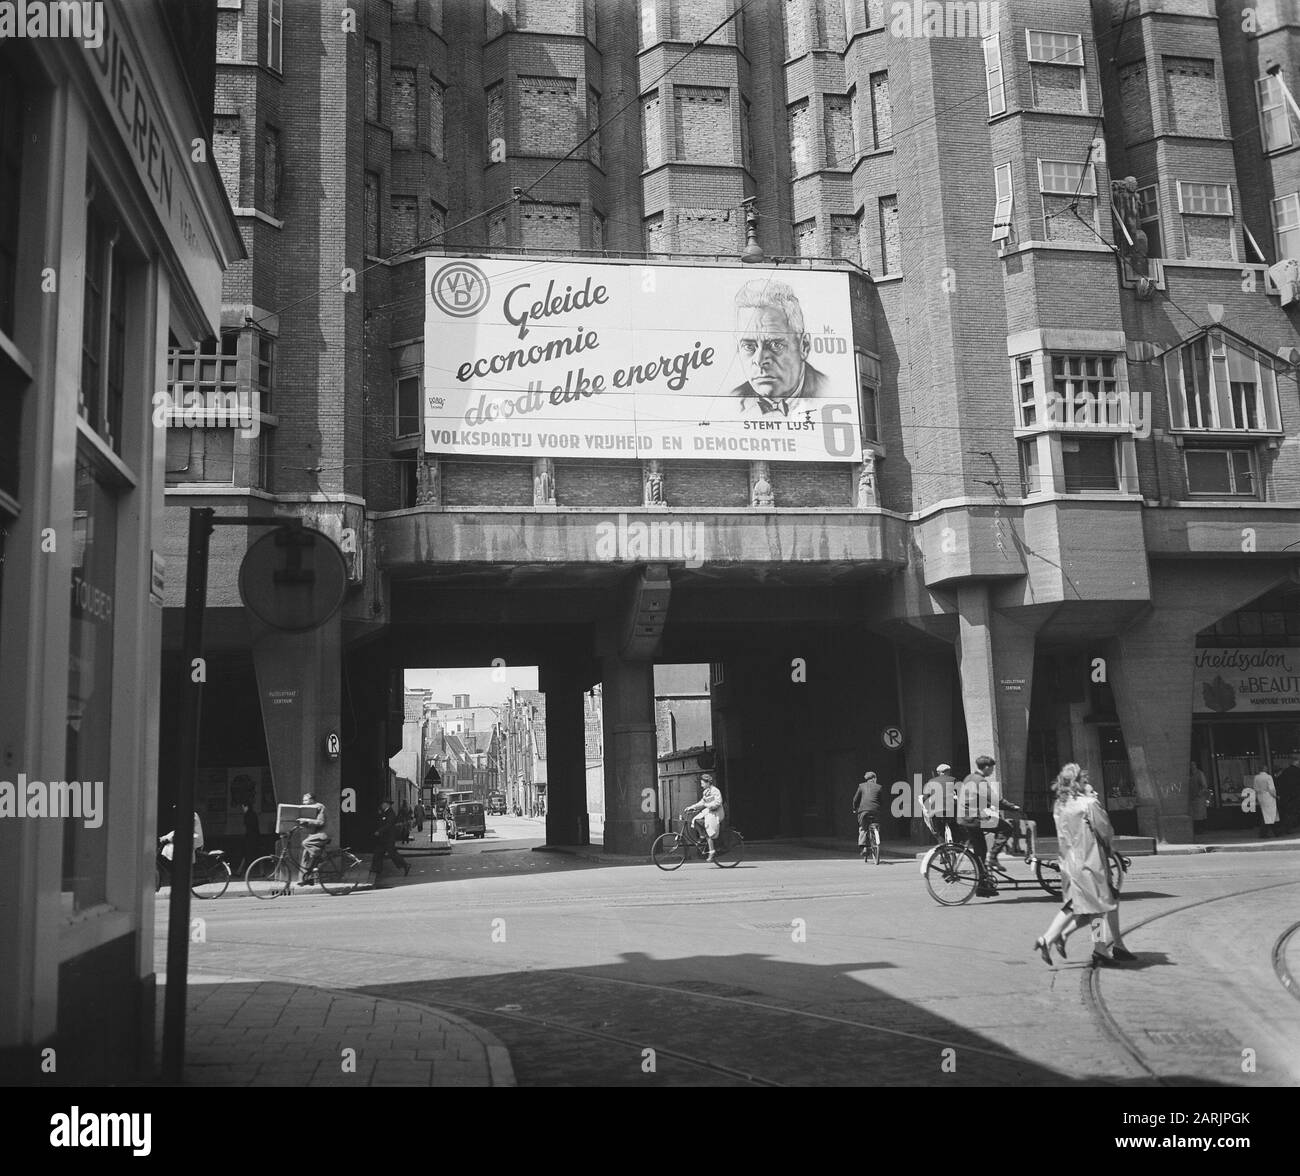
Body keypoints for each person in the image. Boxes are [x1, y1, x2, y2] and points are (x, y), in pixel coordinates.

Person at [1033, 765, 1133, 967]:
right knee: (1086, 907)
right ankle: (1050, 938)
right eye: (1085, 781)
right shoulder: (1088, 804)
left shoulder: (1060, 806)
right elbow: (1105, 830)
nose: (1087, 784)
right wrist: (1111, 850)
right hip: (1090, 861)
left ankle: (1100, 948)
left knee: (1091, 909)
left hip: (1069, 861)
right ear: (1077, 783)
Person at [729, 280, 831, 415]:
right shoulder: (732, 401)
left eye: (775, 345)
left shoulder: (830, 392)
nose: (759, 361)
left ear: (804, 346)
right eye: (749, 346)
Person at [955, 755, 1000, 897]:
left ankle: (983, 884)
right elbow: (993, 798)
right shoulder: (979, 780)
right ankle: (993, 857)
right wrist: (1011, 806)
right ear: (986, 767)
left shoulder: (969, 777)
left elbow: (974, 798)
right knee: (1005, 827)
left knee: (980, 850)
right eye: (992, 768)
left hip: (965, 818)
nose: (992, 771)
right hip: (972, 819)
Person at [684, 773, 725, 862]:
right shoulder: (705, 792)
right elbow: (702, 803)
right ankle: (702, 835)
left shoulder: (715, 791)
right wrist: (692, 807)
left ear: (707, 783)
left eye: (702, 783)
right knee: (695, 820)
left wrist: (708, 805)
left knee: (708, 827)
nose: (701, 785)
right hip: (709, 812)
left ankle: (712, 851)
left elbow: (718, 802)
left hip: (716, 813)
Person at [369, 798, 410, 888]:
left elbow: (388, 825)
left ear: (387, 804)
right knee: (378, 853)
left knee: (392, 853)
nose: (382, 805)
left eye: (383, 804)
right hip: (383, 838)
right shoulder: (384, 812)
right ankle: (376, 869)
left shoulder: (391, 813)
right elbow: (381, 821)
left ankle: (405, 865)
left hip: (388, 838)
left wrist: (379, 831)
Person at [297, 793, 330, 884]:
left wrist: (307, 821)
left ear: (312, 800)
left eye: (306, 800)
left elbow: (320, 822)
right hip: (315, 834)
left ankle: (322, 858)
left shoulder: (319, 807)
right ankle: (306, 879)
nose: (304, 803)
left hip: (322, 834)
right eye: (303, 800)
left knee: (305, 843)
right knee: (305, 855)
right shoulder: (308, 810)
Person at [921, 764, 957, 845]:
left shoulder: (931, 782)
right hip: (950, 809)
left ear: (939, 773)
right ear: (947, 772)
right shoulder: (953, 779)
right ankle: (956, 845)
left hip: (936, 810)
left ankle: (942, 848)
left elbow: (925, 797)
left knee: (938, 831)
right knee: (955, 826)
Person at [852, 770, 883, 858]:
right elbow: (881, 801)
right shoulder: (879, 787)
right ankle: (875, 836)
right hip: (875, 810)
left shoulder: (861, 786)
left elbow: (855, 799)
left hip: (863, 811)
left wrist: (855, 808)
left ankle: (864, 847)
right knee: (876, 824)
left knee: (863, 828)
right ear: (874, 779)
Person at [1253, 766, 1280, 838]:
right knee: (1271, 814)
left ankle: (1275, 832)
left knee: (1266, 814)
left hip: (1261, 796)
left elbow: (1255, 788)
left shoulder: (1256, 777)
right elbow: (1271, 789)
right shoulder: (1268, 777)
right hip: (1268, 796)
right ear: (1265, 769)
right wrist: (1276, 796)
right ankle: (1269, 832)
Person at [1275, 755, 1300, 834]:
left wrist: (1280, 793)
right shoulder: (1298, 771)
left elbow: (1278, 782)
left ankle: (1285, 828)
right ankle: (1285, 829)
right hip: (1296, 796)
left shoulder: (1285, 771)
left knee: (1288, 813)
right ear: (1296, 762)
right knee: (1294, 813)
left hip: (1286, 796)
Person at [1189, 761, 1210, 831]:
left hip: (1199, 798)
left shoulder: (1200, 773)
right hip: (1192, 798)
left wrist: (1199, 794)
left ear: (1196, 765)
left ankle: (1201, 829)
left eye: (1193, 764)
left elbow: (1205, 786)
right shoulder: (1189, 775)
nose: (1192, 766)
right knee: (1194, 815)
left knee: (1199, 815)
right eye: (1190, 765)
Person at [239, 802, 260, 873]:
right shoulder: (253, 814)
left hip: (249, 837)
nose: (243, 809)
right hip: (256, 836)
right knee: (258, 854)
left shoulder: (247, 815)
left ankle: (240, 871)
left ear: (247, 807)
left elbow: (246, 827)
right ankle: (262, 871)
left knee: (246, 854)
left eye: (243, 807)